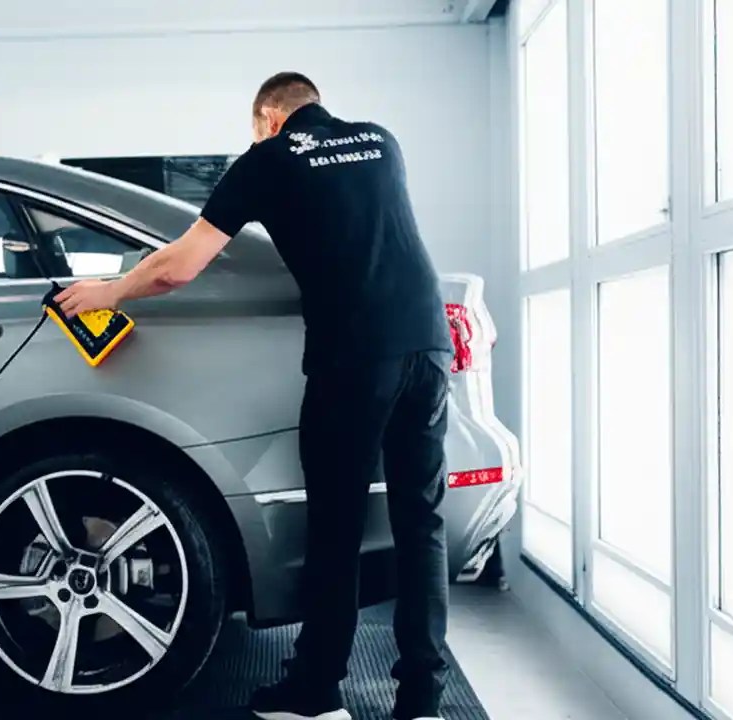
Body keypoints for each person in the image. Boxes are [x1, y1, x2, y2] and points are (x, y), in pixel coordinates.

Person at [55, 71, 454, 720]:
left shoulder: (267, 160)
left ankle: (316, 692)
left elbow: (180, 266)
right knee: (420, 526)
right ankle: (423, 702)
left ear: (269, 118)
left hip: (355, 359)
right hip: (430, 345)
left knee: (336, 529)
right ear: (314, 106)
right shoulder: (382, 141)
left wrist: (107, 292)